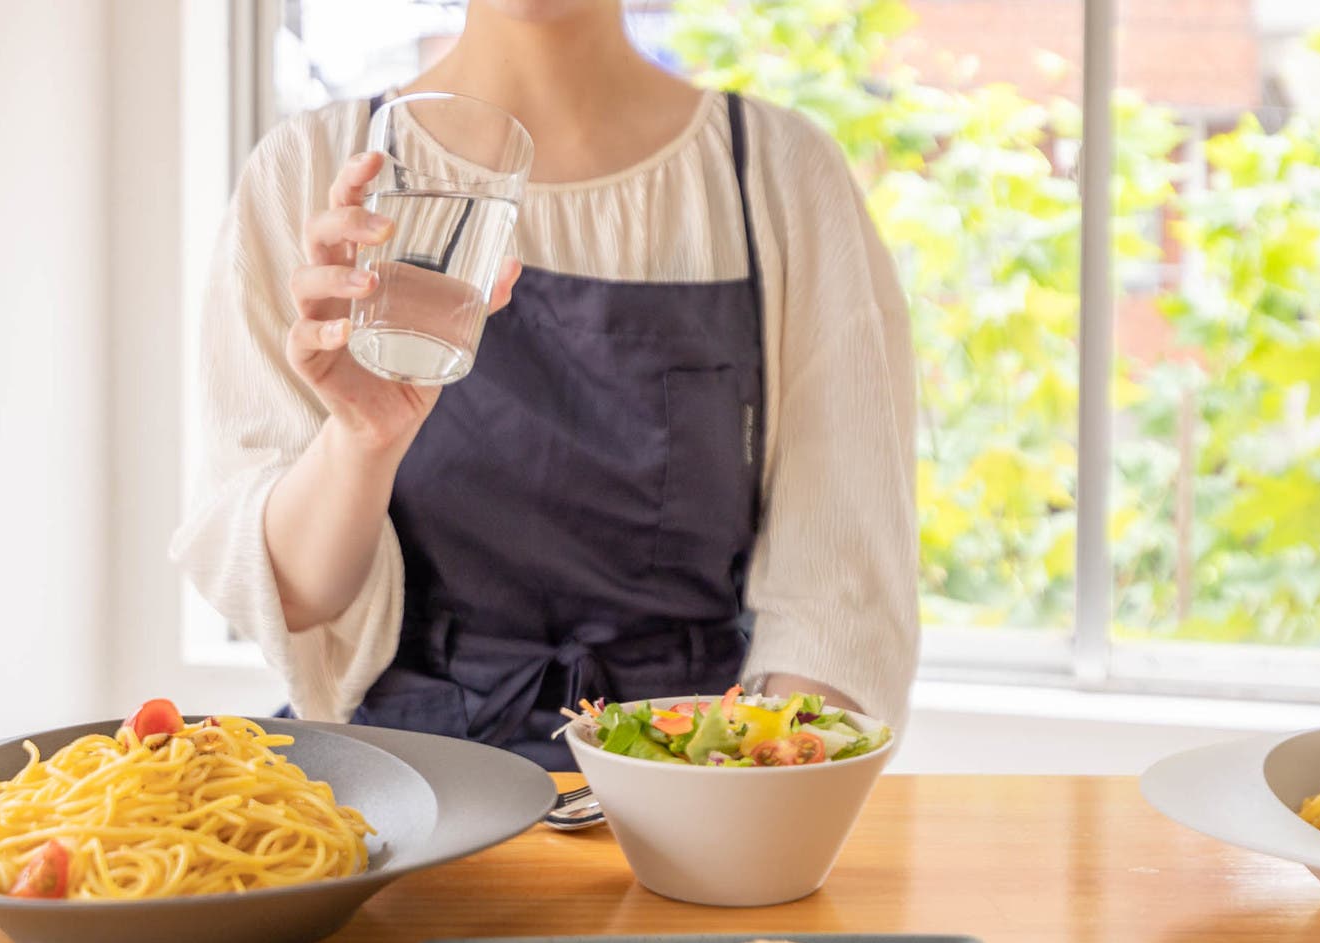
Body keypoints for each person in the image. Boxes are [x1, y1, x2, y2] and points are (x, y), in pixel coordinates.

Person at [173, 0, 918, 770]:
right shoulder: (309, 169)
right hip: (402, 787)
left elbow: (838, 598)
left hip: (695, 780)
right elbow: (294, 598)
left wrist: (744, 792)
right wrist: (362, 440)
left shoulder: (777, 177)